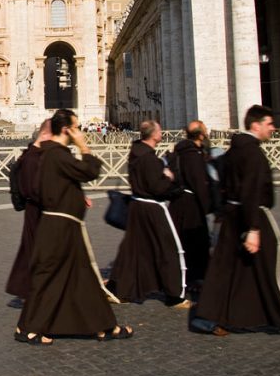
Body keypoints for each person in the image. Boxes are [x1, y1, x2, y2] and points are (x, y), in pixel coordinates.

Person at [191, 105, 280, 338]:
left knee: (226, 270)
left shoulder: (233, 150)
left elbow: (220, 181)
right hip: (253, 215)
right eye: (269, 123)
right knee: (274, 267)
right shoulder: (252, 152)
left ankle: (208, 319)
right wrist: (253, 228)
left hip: (232, 215)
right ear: (256, 125)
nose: (273, 128)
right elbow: (251, 191)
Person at [15, 109, 133, 344]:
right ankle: (28, 328)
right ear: (67, 129)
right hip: (60, 227)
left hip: (62, 225)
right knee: (49, 277)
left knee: (83, 278)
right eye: (77, 128)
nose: (79, 132)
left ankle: (104, 326)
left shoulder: (49, 154)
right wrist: (84, 147)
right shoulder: (58, 154)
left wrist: (70, 195)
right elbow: (89, 170)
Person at [107, 120, 189, 308]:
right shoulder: (150, 159)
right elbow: (157, 187)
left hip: (137, 206)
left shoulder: (136, 153)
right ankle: (175, 295)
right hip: (152, 208)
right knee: (169, 249)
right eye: (159, 130)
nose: (161, 133)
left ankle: (118, 288)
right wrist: (169, 177)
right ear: (153, 135)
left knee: (133, 250)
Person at [4, 119, 51, 307]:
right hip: (38, 212)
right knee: (35, 252)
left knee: (33, 252)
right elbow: (34, 189)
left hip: (37, 212)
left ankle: (32, 290)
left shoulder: (30, 156)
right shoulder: (32, 158)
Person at [169, 120, 212, 287]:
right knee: (194, 242)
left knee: (182, 241)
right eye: (206, 130)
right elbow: (198, 183)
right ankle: (193, 278)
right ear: (201, 135)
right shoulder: (192, 154)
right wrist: (208, 207)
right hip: (191, 205)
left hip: (178, 202)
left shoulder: (180, 151)